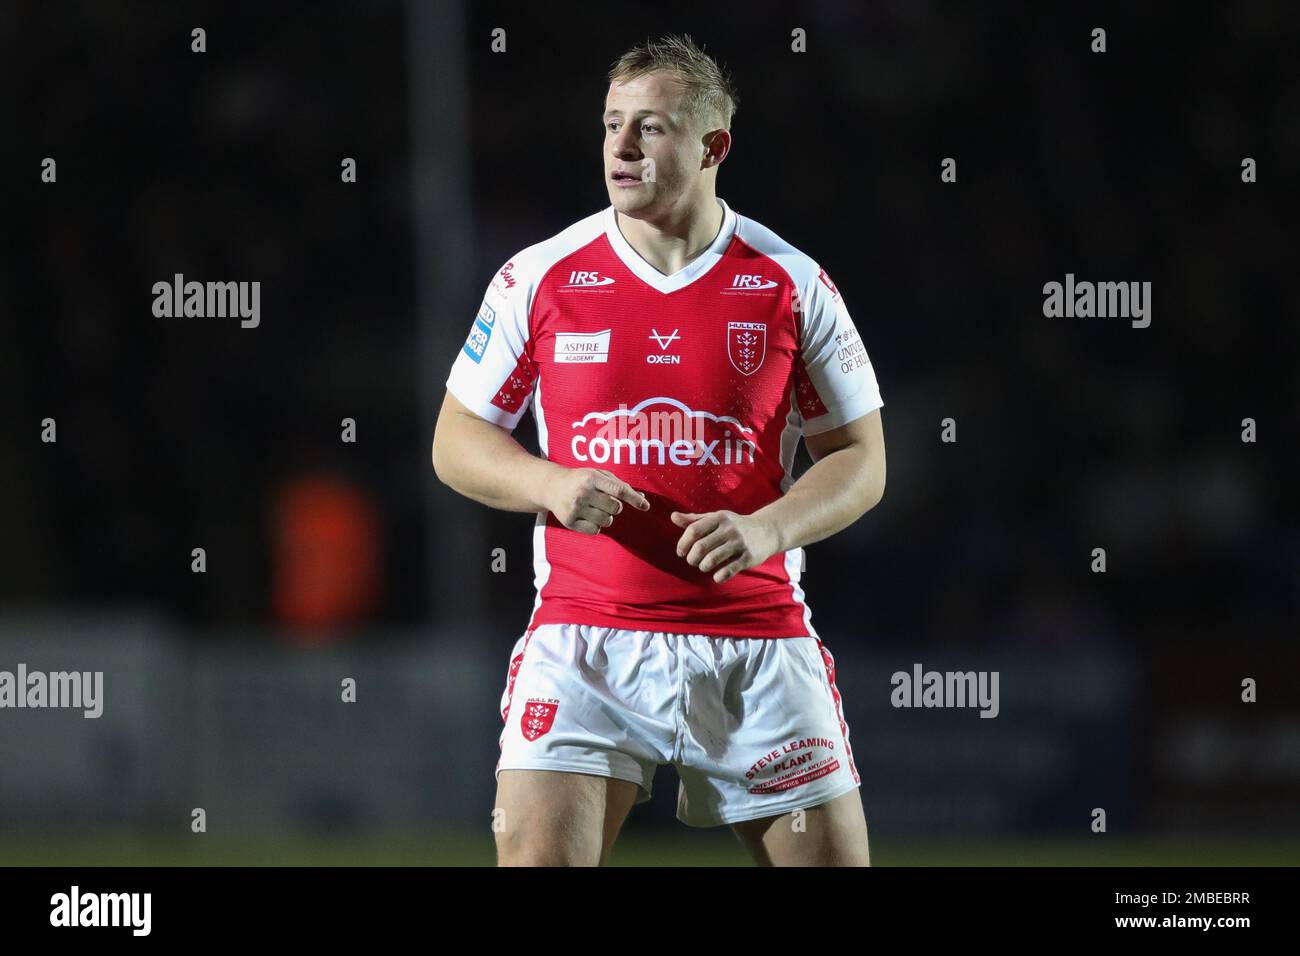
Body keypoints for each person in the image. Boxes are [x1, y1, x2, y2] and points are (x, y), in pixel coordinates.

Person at [432, 34, 886, 866]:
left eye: (651, 127)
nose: (622, 145)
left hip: (757, 639)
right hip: (584, 644)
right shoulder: (539, 276)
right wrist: (552, 484)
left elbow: (861, 458)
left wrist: (770, 528)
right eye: (612, 124)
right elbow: (456, 441)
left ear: (714, 146)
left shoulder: (790, 280)